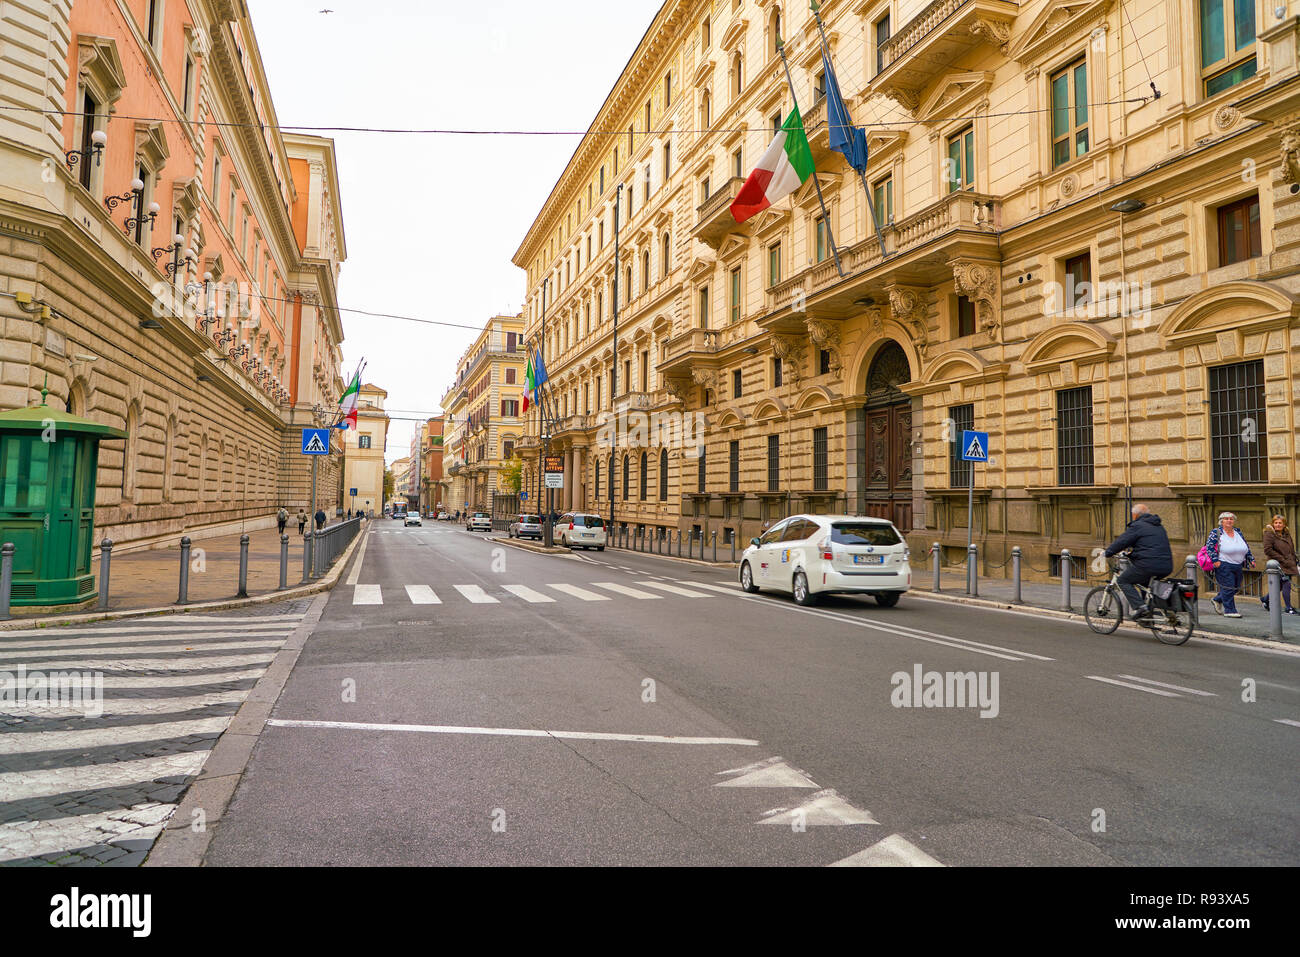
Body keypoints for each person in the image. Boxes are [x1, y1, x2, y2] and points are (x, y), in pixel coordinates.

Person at [1104, 503, 1174, 620]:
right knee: (1145, 585)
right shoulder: (1158, 526)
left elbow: (1122, 541)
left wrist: (1108, 552)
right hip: (1166, 565)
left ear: (1135, 515)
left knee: (1123, 581)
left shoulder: (1138, 526)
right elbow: (1149, 545)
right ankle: (1148, 616)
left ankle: (1140, 608)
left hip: (1148, 565)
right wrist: (1134, 553)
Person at [1205, 511, 1254, 618]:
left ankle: (1217, 599)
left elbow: (1245, 546)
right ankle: (1230, 610)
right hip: (1223, 564)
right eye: (1226, 519)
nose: (1229, 521)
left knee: (1236, 587)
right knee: (1229, 587)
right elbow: (1209, 547)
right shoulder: (1216, 532)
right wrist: (1215, 561)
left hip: (1238, 564)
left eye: (1231, 519)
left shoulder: (1238, 532)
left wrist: (1251, 558)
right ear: (1221, 521)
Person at [1261, 514, 1298, 615]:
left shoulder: (1286, 533)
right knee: (1286, 584)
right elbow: (1268, 550)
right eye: (1276, 523)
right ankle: (1288, 607)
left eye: (1280, 523)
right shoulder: (1269, 534)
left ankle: (1265, 599)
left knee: (1279, 586)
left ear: (1284, 524)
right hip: (1277, 564)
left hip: (1289, 563)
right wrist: (1282, 559)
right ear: (1272, 523)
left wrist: (1295, 560)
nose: (1278, 525)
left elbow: (1291, 549)